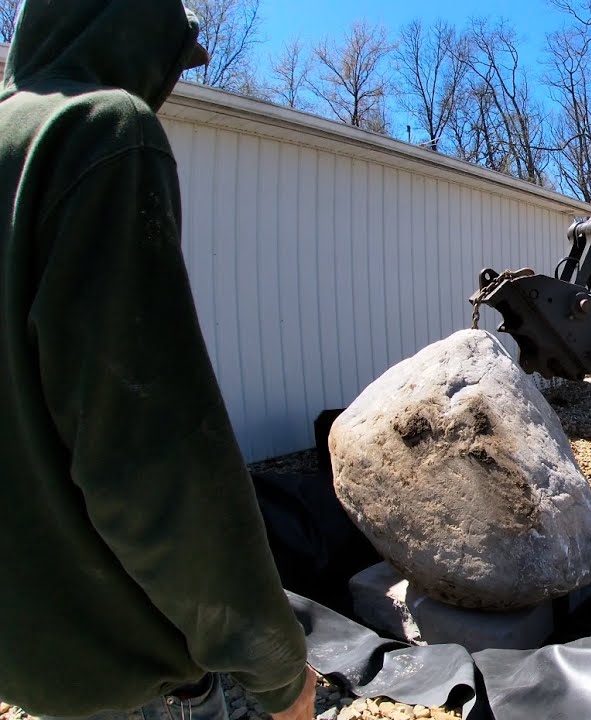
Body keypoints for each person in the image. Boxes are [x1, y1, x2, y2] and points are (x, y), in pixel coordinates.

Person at [0, 1, 316, 718]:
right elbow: (150, 457)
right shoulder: (98, 131)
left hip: (33, 659)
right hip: (133, 675)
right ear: (133, 27)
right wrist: (275, 666)